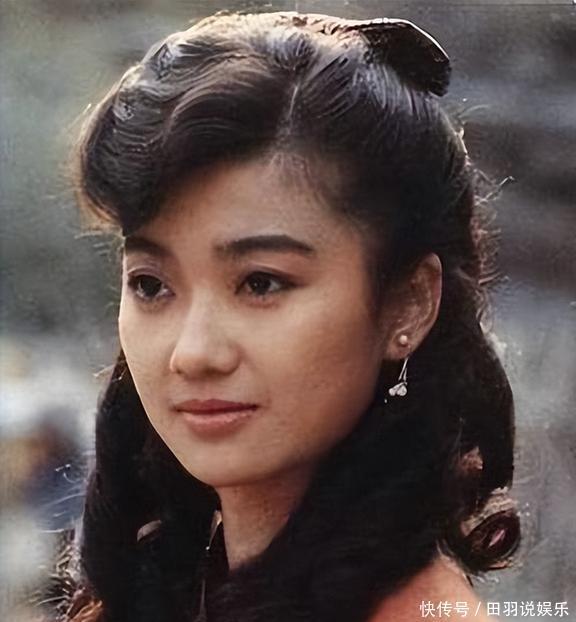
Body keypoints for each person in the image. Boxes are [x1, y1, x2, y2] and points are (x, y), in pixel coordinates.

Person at [49, 10, 521, 622]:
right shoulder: (169, 587)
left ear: (408, 303)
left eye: (261, 283)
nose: (193, 353)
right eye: (151, 285)